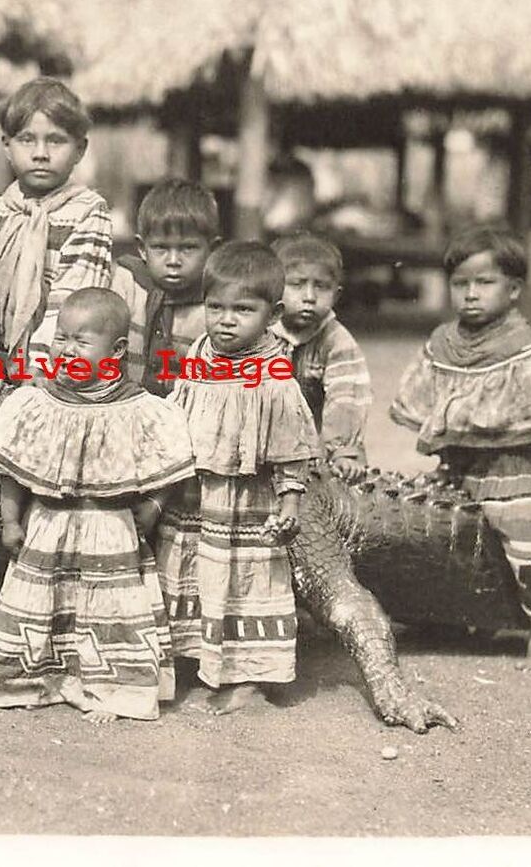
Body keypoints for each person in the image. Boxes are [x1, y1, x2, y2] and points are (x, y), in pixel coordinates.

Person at [0, 289, 195, 723]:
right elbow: (15, 471)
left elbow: (168, 462)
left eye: (81, 341)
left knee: (109, 607)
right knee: (45, 604)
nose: (67, 349)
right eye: (61, 338)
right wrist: (10, 520)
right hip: (49, 524)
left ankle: (113, 689)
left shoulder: (139, 408)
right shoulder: (38, 402)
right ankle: (39, 681)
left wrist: (153, 504)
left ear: (116, 351)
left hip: (109, 527)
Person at [390, 226, 531, 673]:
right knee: (445, 538)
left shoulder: (521, 347)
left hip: (516, 470)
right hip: (460, 469)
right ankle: (459, 618)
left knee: (527, 546)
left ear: (513, 290)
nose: (471, 294)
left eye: (484, 283)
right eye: (461, 284)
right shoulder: (444, 342)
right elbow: (423, 399)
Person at [153, 242, 320, 713]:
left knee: (243, 579)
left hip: (246, 500)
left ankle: (247, 679)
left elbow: (291, 447)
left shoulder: (273, 374)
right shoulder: (202, 353)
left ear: (273, 314)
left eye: (242, 310)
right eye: (216, 307)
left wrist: (289, 503)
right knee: (190, 569)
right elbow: (182, 412)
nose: (226, 320)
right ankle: (202, 662)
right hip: (196, 495)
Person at [0, 77, 112, 364]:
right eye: (27, 139)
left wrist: (37, 366)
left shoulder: (87, 212)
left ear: (80, 149)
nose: (41, 154)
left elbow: (72, 300)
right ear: (6, 145)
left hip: (53, 362)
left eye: (56, 140)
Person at [270, 233, 371, 479]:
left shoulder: (337, 341)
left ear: (336, 295)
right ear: (272, 287)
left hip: (319, 446)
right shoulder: (260, 332)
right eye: (296, 284)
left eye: (321, 286)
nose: (309, 297)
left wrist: (342, 449)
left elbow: (347, 395)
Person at [110, 178, 217, 395]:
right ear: (141, 248)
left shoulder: (215, 300)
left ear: (211, 249)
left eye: (188, 248)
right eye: (161, 248)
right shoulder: (127, 283)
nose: (174, 260)